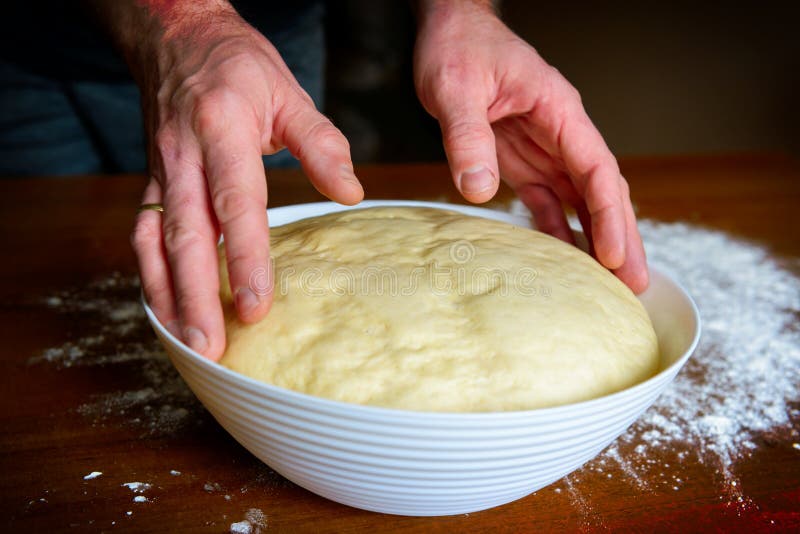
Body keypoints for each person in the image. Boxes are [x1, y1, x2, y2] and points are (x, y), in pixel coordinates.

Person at [10, 0, 649, 360]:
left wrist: (462, 11)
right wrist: (183, 23)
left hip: (269, 31)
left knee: (239, 233)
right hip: (23, 52)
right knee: (37, 266)